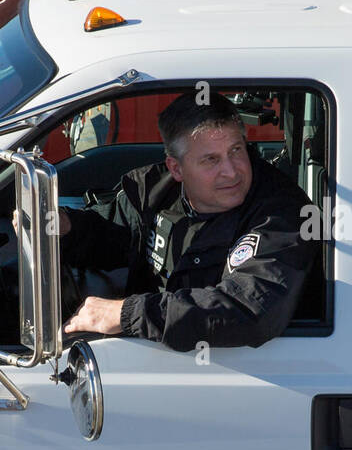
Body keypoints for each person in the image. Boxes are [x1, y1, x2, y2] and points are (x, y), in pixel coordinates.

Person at [57, 92, 319, 351]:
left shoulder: (280, 215)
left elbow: (247, 310)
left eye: (236, 150)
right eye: (211, 159)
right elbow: (113, 233)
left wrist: (127, 314)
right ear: (176, 169)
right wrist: (66, 228)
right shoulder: (155, 189)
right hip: (150, 356)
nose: (231, 171)